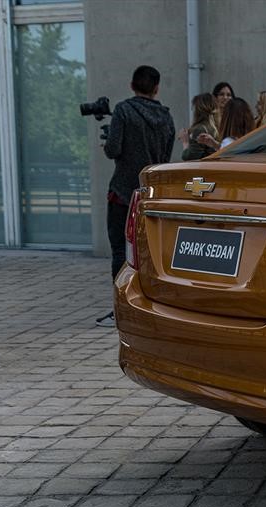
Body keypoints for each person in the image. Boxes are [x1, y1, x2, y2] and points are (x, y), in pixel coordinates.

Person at [99, 65, 175, 327]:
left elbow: (114, 149)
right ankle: (151, 307)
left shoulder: (123, 110)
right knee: (151, 255)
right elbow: (165, 158)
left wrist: (106, 146)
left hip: (122, 192)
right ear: (157, 88)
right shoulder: (166, 117)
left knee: (121, 251)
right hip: (150, 194)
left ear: (132, 86)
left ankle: (120, 309)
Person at [177, 93, 219, 161]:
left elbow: (190, 157)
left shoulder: (199, 129)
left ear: (197, 110)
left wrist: (185, 142)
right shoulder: (217, 127)